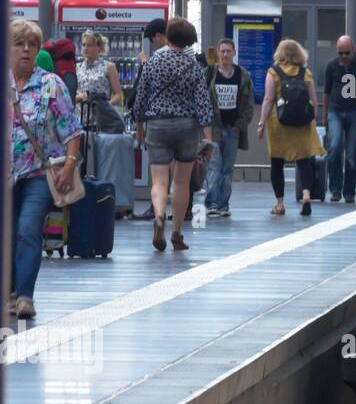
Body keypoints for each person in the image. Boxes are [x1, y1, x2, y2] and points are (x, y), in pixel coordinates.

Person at [9, 20, 83, 321]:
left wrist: (69, 164)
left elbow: (72, 130)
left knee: (28, 229)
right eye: (19, 44)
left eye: (32, 45)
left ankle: (24, 295)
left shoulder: (51, 84)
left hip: (38, 174)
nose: (26, 50)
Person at [132, 17, 214, 251]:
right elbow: (203, 104)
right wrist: (207, 137)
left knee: (159, 180)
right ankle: (176, 233)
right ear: (189, 40)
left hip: (158, 125)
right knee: (181, 182)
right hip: (187, 127)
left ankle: (159, 216)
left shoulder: (154, 62)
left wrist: (139, 126)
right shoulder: (193, 66)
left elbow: (141, 96)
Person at [258, 38, 324, 217]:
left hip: (279, 124)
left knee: (277, 163)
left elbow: (268, 99)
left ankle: (279, 204)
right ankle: (307, 195)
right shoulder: (306, 73)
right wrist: (312, 121)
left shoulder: (273, 72)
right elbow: (314, 102)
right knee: (304, 162)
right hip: (302, 125)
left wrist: (262, 123)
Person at [204, 39, 255, 219]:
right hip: (213, 128)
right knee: (214, 165)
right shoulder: (209, 74)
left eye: (228, 51)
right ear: (218, 53)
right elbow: (202, 100)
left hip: (233, 128)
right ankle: (212, 203)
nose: (225, 55)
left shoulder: (243, 75)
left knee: (227, 168)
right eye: (222, 51)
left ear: (234, 52)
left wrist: (239, 126)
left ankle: (224, 204)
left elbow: (249, 105)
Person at [322, 33, 356, 204]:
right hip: (336, 111)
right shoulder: (332, 66)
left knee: (352, 153)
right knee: (335, 147)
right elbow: (327, 92)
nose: (343, 57)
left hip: (355, 112)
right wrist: (325, 115)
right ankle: (335, 189)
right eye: (340, 53)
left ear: (353, 51)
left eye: (347, 53)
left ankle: (349, 191)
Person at [76, 30, 126, 133]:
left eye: (89, 45)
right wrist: (79, 97)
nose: (85, 48)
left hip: (100, 121)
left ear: (98, 47)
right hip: (79, 119)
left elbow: (118, 94)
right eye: (84, 45)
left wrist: (106, 106)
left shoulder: (109, 67)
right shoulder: (77, 67)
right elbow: (72, 93)